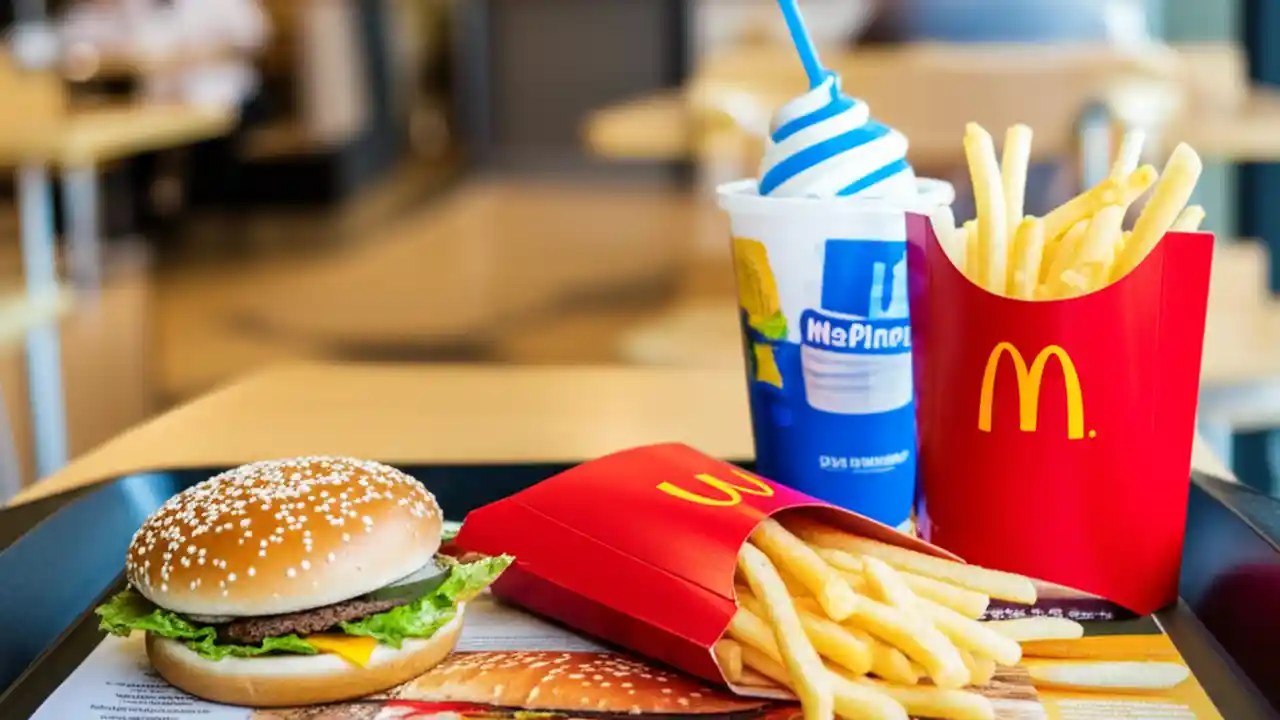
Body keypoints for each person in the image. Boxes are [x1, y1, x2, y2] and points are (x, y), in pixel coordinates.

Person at [59, 0, 270, 221]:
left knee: (204, 158)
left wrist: (200, 54)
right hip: (156, 107)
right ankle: (139, 225)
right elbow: (87, 39)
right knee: (130, 154)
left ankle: (188, 213)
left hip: (225, 99)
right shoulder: (134, 7)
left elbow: (256, 38)